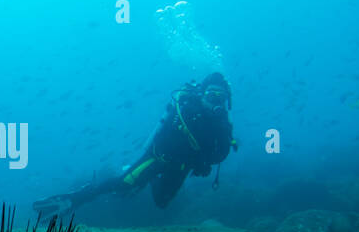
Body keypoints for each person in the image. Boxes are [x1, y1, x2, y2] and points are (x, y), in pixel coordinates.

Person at [32, 73, 237, 217]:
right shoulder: (187, 110)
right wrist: (198, 159)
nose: (215, 103)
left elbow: (221, 154)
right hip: (158, 158)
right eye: (211, 96)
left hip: (181, 167)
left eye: (221, 98)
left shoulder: (222, 123)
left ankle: (144, 181)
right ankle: (77, 198)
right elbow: (170, 141)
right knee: (123, 185)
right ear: (202, 95)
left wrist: (204, 159)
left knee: (161, 202)